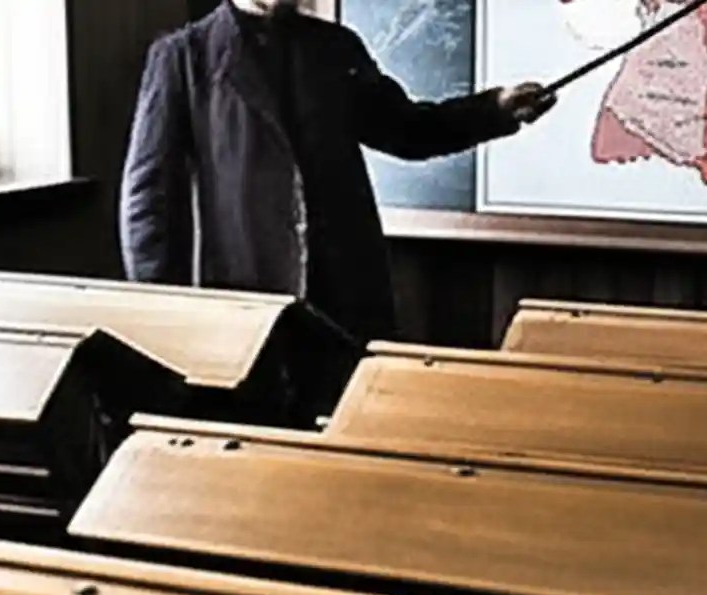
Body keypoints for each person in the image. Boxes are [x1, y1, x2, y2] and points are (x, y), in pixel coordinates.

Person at [120, 0, 556, 341]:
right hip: (242, 305)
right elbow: (147, 203)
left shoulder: (335, 48)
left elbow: (408, 131)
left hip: (345, 301)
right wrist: (165, 318)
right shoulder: (182, 57)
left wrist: (495, 109)